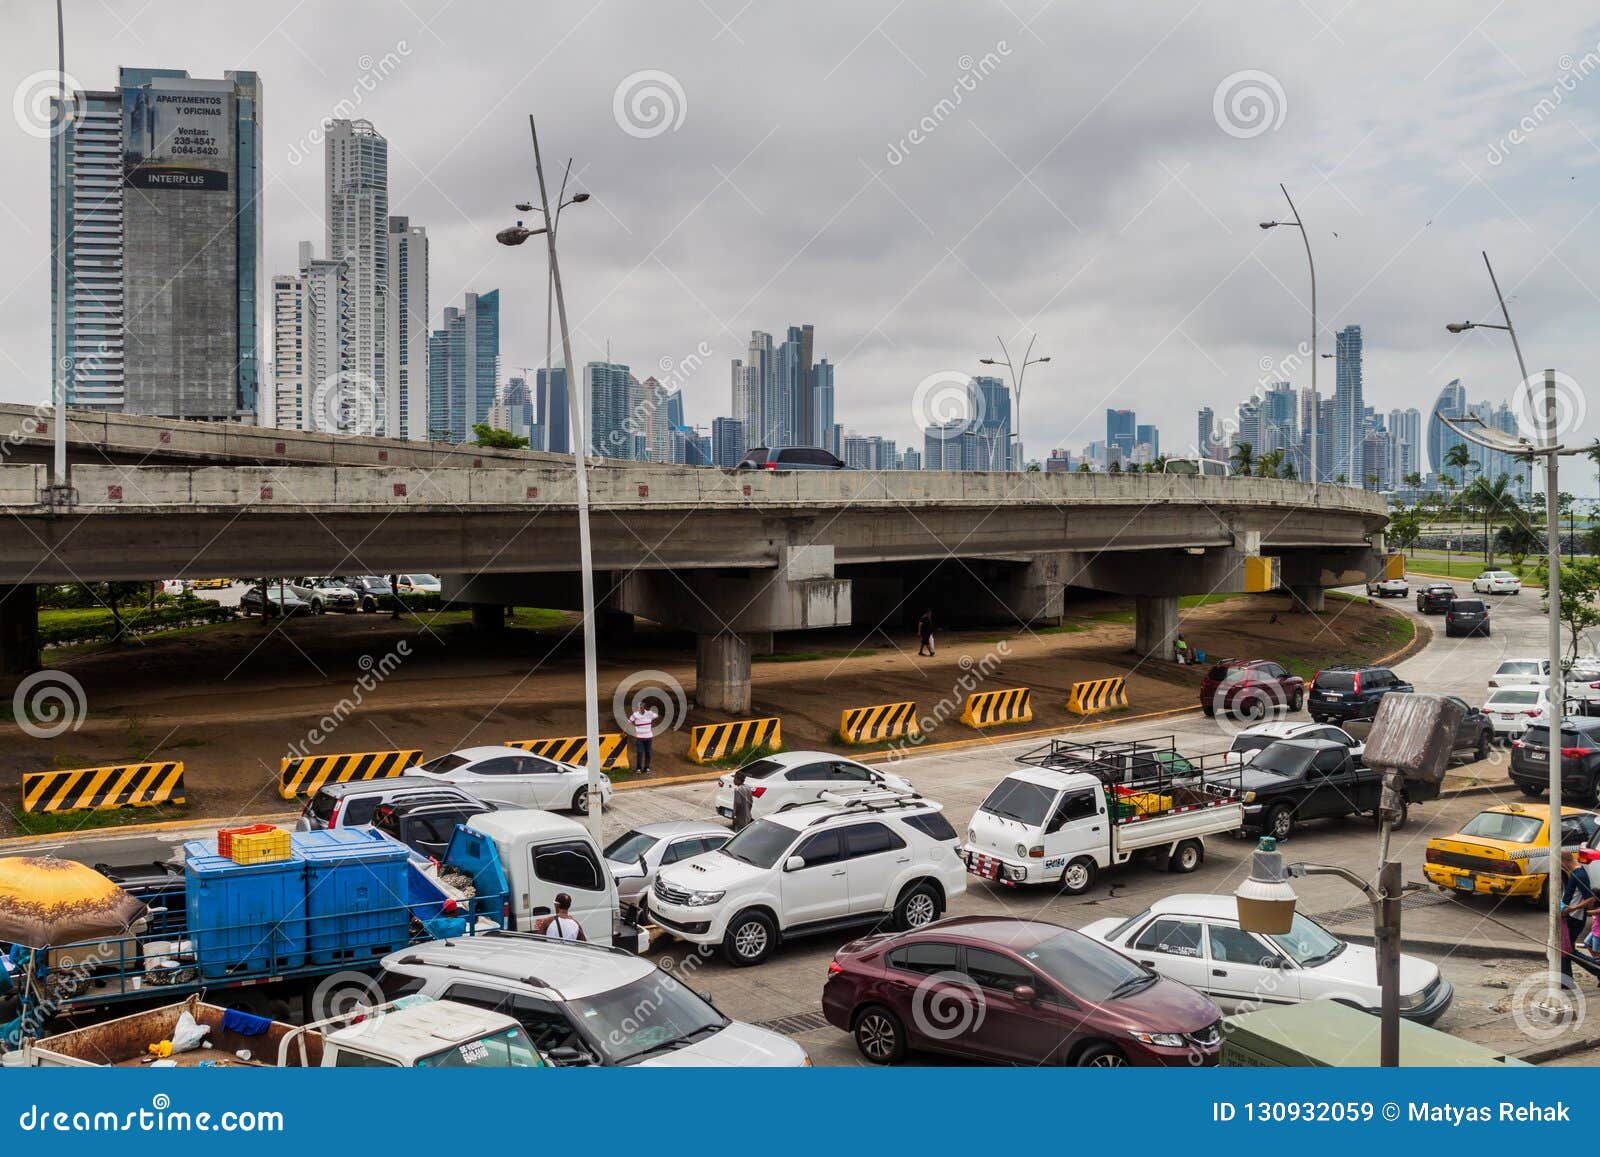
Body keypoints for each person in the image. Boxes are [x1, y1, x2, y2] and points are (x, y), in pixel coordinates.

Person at [1559, 853, 1600, 986]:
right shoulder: (1576, 872)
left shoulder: (1579, 874)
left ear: (1565, 861)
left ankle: (1596, 969)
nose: (1560, 866)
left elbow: (1590, 898)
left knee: (1567, 950)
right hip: (1570, 916)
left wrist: (1572, 908)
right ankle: (1566, 981)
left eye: (1560, 862)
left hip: (1575, 918)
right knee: (1565, 949)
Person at [628, 704, 658, 774]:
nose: (640, 708)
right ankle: (638, 768)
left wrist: (651, 716)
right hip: (640, 737)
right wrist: (624, 732)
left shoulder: (649, 714)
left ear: (644, 707)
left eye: (642, 707)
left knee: (648, 753)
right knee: (640, 752)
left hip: (649, 737)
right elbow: (628, 722)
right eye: (639, 707)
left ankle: (646, 768)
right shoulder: (635, 715)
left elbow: (656, 715)